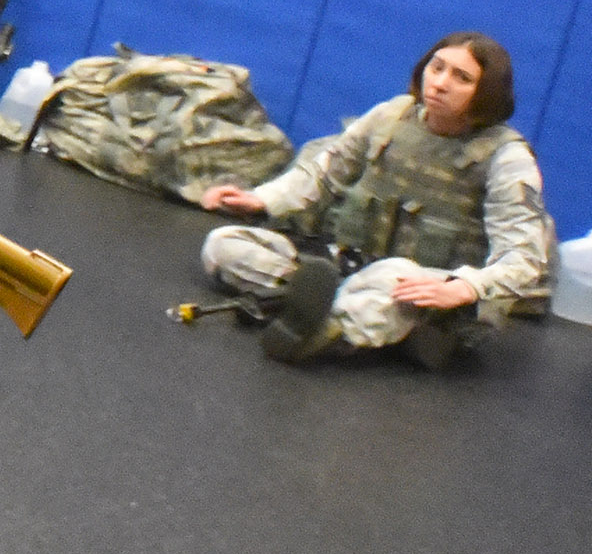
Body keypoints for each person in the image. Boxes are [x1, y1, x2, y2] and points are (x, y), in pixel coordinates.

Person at [195, 34, 554, 367]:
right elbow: (323, 173)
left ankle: (322, 332)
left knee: (395, 278)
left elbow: (524, 258)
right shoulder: (390, 117)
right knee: (224, 245)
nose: (441, 82)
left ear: (486, 93)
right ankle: (319, 306)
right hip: (350, 268)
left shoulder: (505, 157)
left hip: (430, 293)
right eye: (437, 66)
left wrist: (465, 287)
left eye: (462, 77)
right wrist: (260, 199)